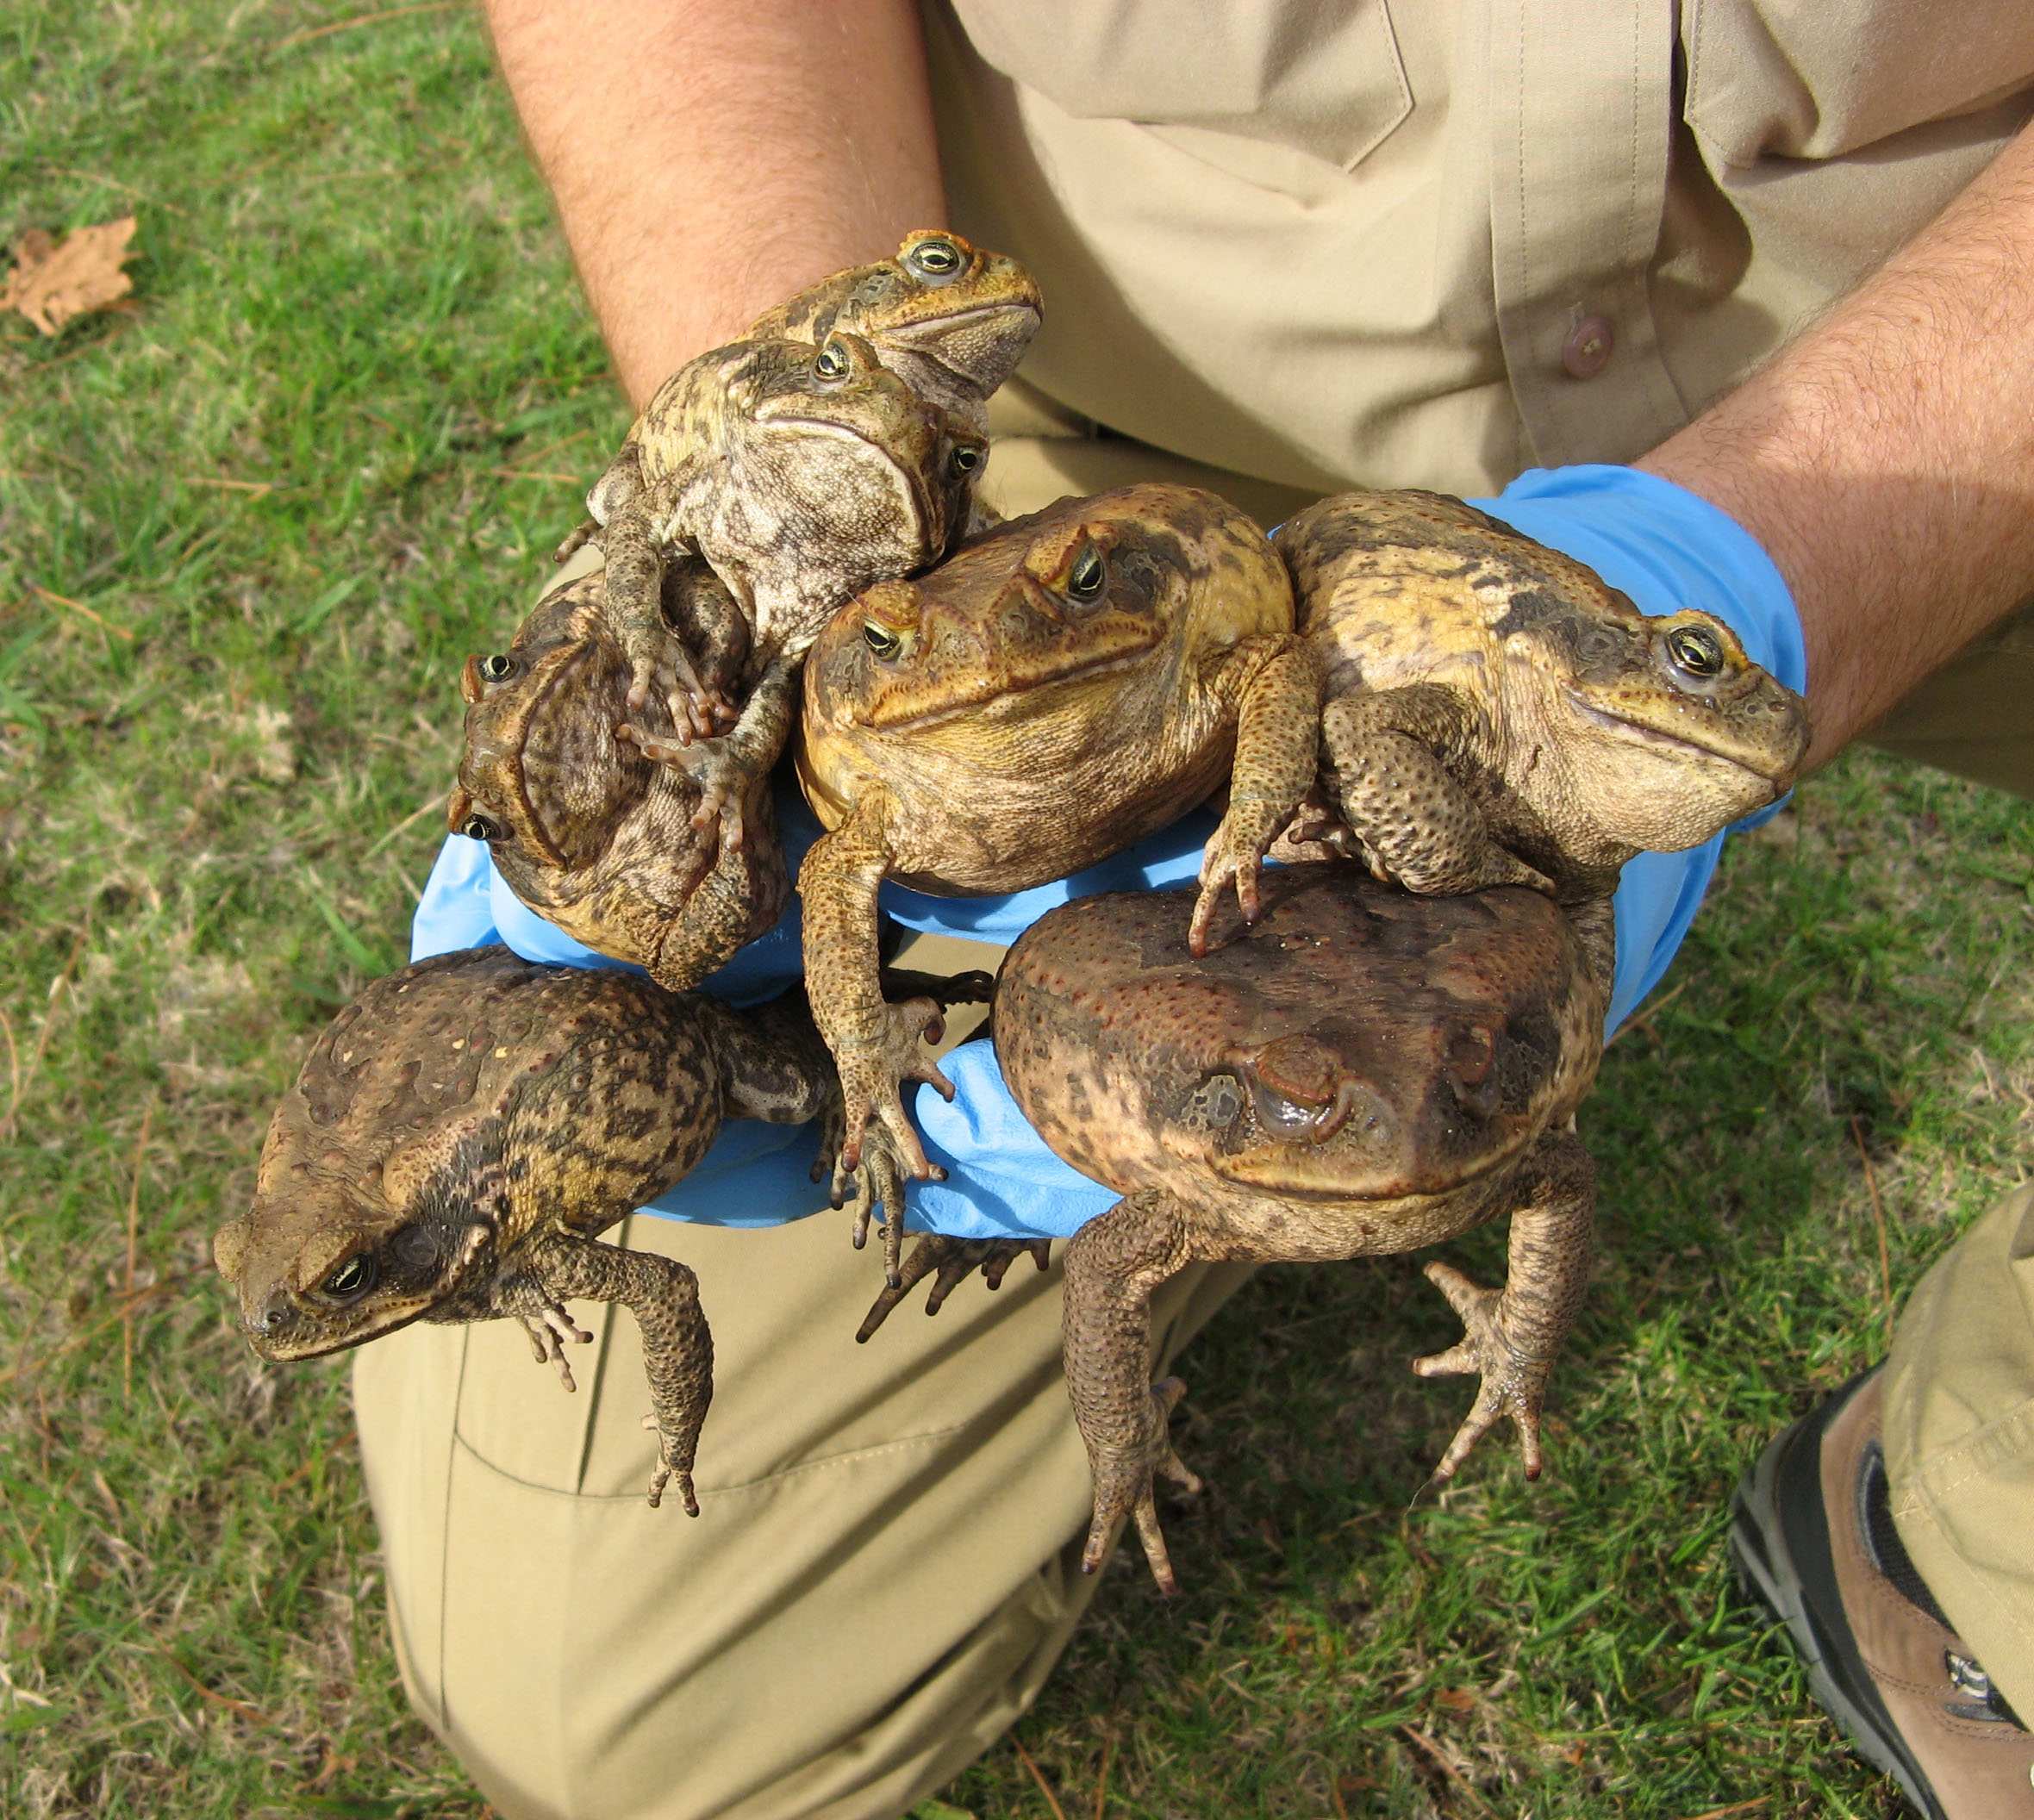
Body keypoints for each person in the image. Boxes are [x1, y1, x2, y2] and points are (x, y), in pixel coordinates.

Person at [351, 5, 2034, 1816]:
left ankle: (1967, 1514)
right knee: (604, 1692)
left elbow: (1287, 704)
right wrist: (814, 511)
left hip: (1929, 366)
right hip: (1114, 485)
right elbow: (863, 873)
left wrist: (1751, 573)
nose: (1437, 1132)